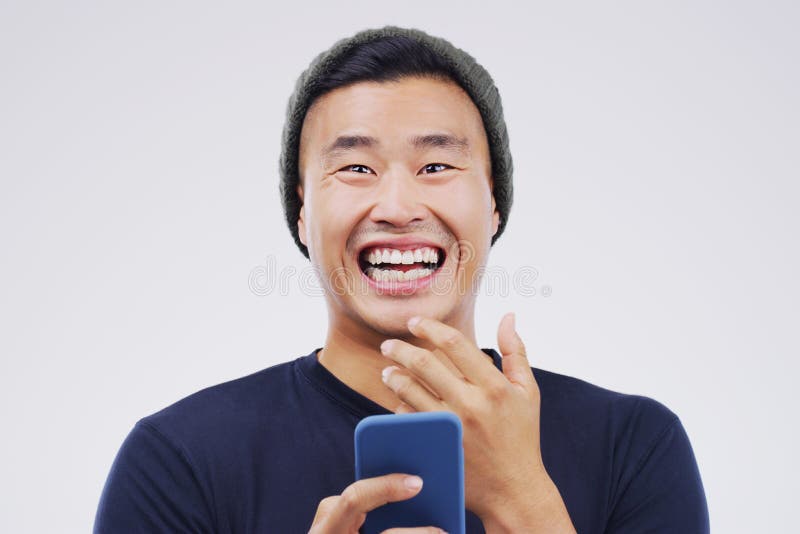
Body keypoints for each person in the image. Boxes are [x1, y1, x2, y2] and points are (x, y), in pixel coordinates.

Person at [94, 26, 709, 533]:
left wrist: (523, 498)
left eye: (436, 164)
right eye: (356, 167)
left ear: (494, 204)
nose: (396, 205)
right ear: (303, 212)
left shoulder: (634, 445)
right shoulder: (178, 460)